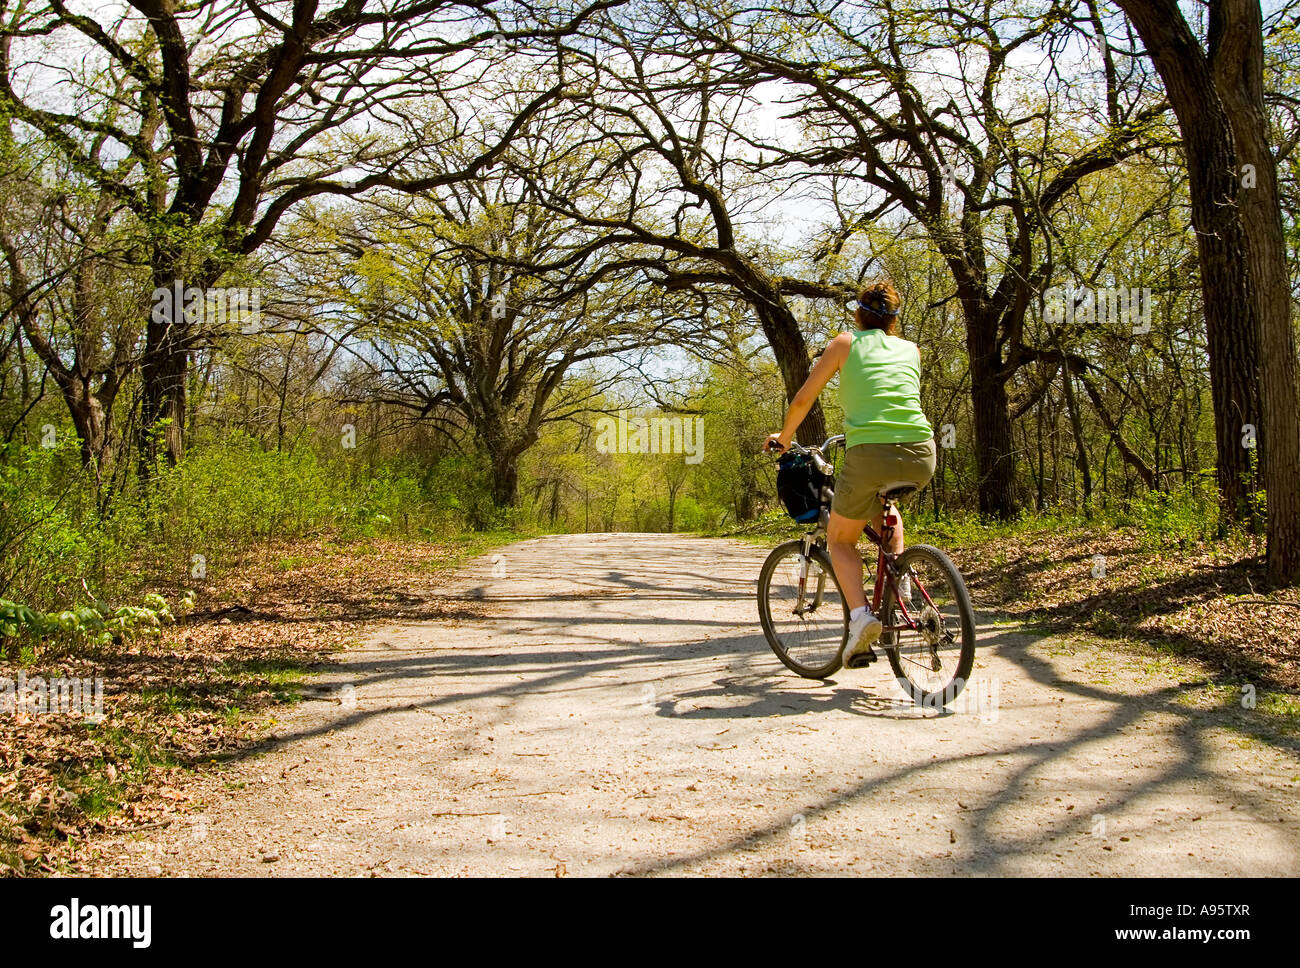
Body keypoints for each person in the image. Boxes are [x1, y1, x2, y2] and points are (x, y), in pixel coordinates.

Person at [764, 281, 936, 668]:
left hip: (870, 452)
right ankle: (899, 576)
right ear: (894, 318)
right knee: (883, 501)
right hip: (922, 452)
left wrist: (784, 438)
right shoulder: (911, 350)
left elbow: (805, 397)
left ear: (858, 313)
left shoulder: (845, 344)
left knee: (841, 540)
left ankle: (860, 621)